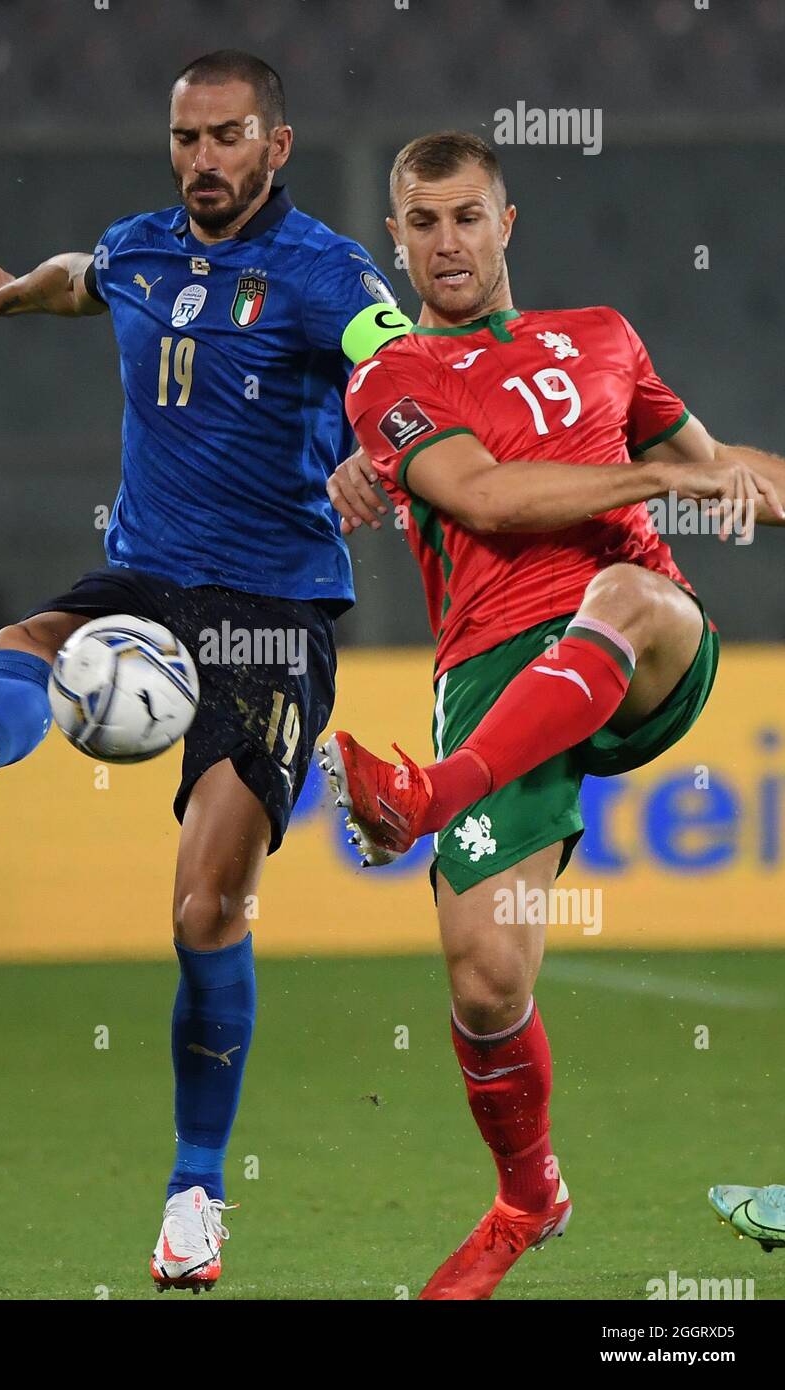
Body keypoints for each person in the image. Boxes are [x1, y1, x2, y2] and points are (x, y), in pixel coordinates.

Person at [0, 50, 398, 1294]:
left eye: (227, 138)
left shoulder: (326, 273)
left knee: (203, 912)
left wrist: (379, 460)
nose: (202, 161)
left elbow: (402, 376)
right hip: (144, 579)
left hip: (272, 614)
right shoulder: (141, 244)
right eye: (185, 139)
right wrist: (12, 295)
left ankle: (194, 1189)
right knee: (23, 641)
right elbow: (92, 279)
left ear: (274, 146)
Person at [321, 130, 785, 1300]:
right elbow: (482, 495)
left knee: (624, 589)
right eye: (420, 224)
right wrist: (656, 478)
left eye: (466, 216)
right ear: (395, 239)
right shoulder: (389, 382)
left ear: (506, 222)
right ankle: (529, 1196)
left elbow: (719, 465)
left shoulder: (602, 337)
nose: (445, 243)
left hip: (638, 642)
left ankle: (427, 796)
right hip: (489, 673)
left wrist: (703, 474)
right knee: (483, 983)